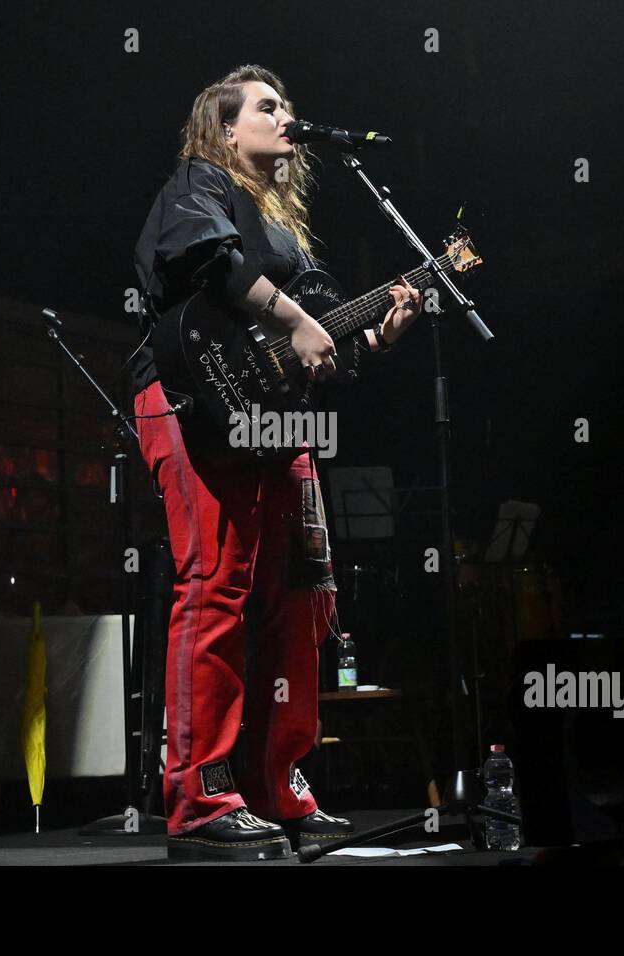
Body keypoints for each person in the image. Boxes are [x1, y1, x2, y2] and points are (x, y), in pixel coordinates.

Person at [130, 64, 422, 861]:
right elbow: (207, 260)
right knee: (215, 586)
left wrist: (375, 334)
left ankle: (275, 785)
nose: (284, 115)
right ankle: (198, 794)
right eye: (265, 107)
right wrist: (293, 316)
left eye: (288, 104)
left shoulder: (290, 233)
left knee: (297, 596)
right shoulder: (198, 184)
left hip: (273, 417)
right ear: (225, 129)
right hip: (193, 399)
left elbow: (321, 345)